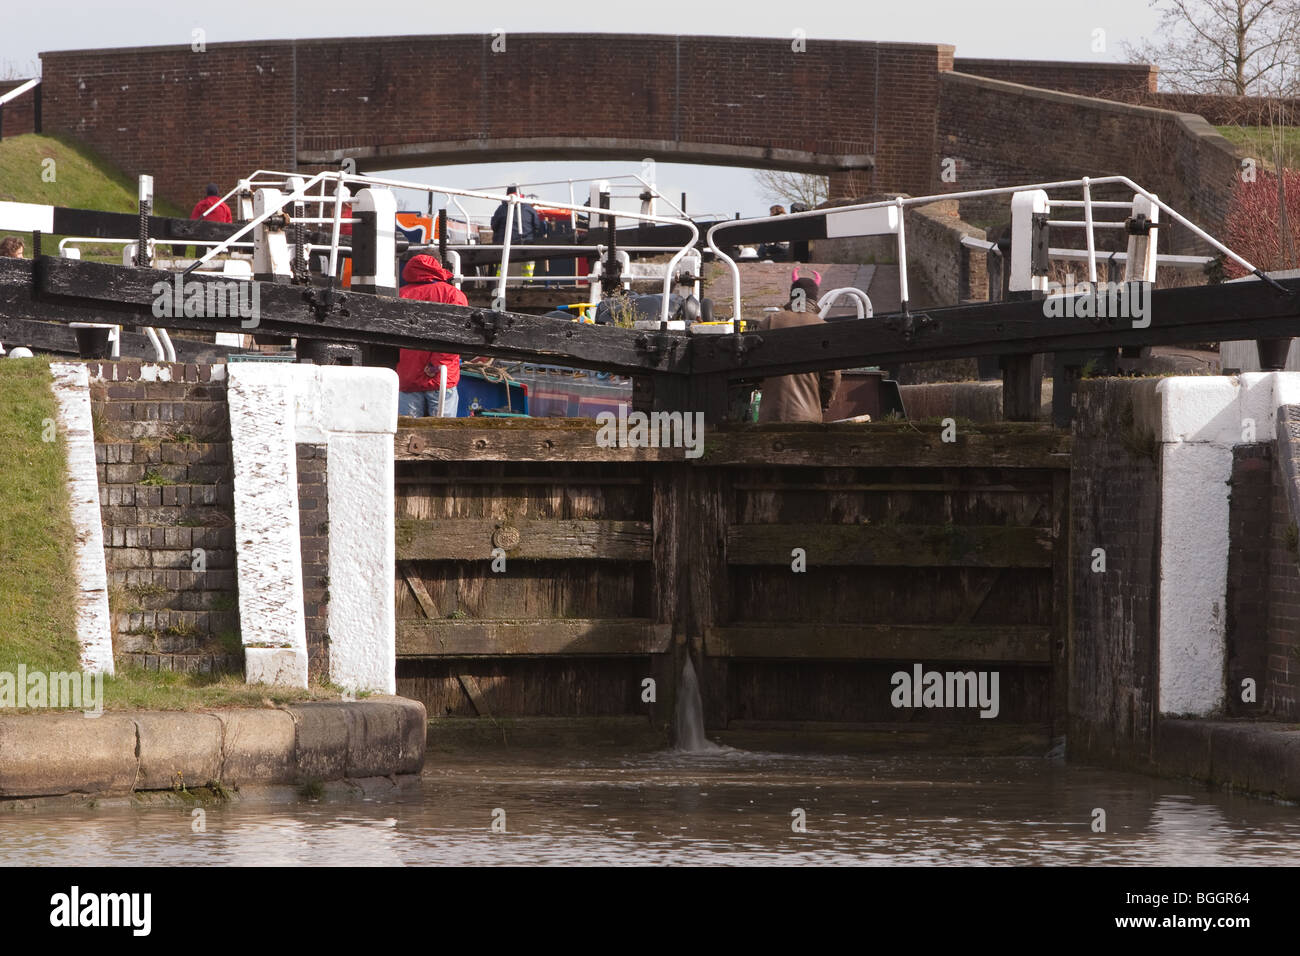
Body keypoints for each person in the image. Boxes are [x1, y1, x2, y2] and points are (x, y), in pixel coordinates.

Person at [755, 268, 839, 423]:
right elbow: (832, 376)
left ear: (792, 296)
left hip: (771, 415)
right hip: (807, 417)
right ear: (814, 299)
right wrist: (821, 405)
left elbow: (754, 365)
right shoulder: (823, 327)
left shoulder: (770, 322)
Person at [396, 253, 466, 417]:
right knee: (443, 435)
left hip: (408, 376)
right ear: (439, 266)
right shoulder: (452, 295)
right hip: (440, 376)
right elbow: (456, 335)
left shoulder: (400, 294)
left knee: (409, 434)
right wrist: (437, 365)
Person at [490, 185, 540, 282]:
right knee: (528, 265)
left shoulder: (501, 209)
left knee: (501, 265)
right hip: (527, 244)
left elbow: (494, 225)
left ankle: (498, 282)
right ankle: (528, 282)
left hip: (504, 245)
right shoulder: (529, 209)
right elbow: (537, 226)